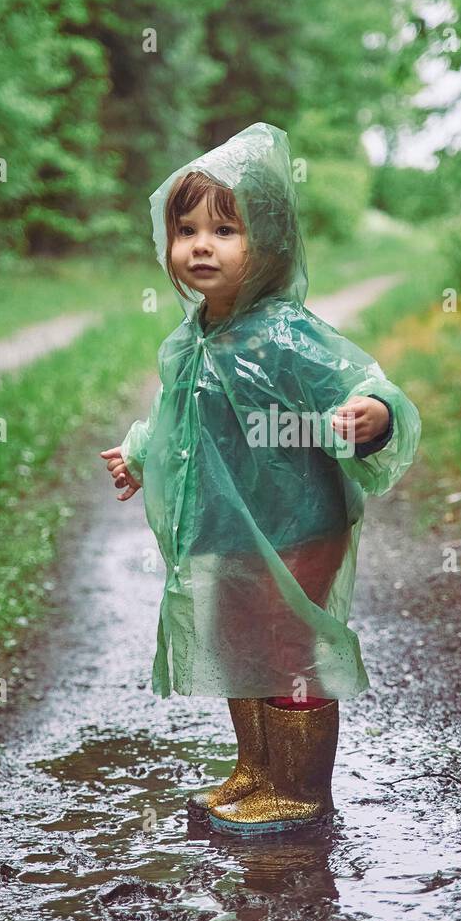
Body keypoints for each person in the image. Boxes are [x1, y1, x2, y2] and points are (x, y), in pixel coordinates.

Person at [100, 122, 420, 835]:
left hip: (298, 522)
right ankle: (256, 770)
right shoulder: (192, 340)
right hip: (225, 523)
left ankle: (300, 788)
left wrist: (373, 414)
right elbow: (176, 417)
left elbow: (366, 384)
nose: (201, 245)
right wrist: (140, 453)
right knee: (233, 637)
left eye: (226, 229)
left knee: (285, 644)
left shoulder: (288, 336)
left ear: (269, 243)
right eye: (187, 230)